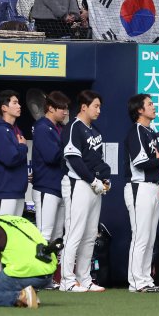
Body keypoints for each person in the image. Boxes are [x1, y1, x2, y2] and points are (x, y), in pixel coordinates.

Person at [60, 90, 111, 293]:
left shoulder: (95, 131)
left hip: (93, 185)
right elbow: (73, 159)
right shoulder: (74, 127)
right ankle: (67, 280)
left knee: (90, 234)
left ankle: (85, 278)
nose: (98, 110)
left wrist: (105, 179)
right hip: (77, 183)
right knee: (74, 232)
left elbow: (98, 161)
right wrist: (92, 180)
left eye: (99, 106)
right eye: (95, 106)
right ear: (84, 107)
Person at [123, 94, 159, 293]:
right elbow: (140, 162)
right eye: (149, 104)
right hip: (138, 186)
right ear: (139, 110)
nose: (153, 107)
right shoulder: (137, 131)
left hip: (151, 186)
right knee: (141, 236)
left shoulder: (149, 131)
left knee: (149, 237)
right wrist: (158, 159)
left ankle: (146, 279)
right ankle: (136, 281)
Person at [0, 215, 57, 308]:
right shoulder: (21, 221)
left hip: (25, 273)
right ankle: (27, 294)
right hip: (48, 275)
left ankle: (20, 297)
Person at [31, 91, 69, 247]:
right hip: (46, 187)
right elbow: (51, 156)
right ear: (51, 108)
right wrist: (68, 148)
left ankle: (51, 272)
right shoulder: (42, 126)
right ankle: (39, 272)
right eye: (62, 108)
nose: (65, 112)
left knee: (57, 236)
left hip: (59, 186)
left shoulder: (59, 127)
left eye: (66, 108)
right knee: (43, 236)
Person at [0, 90, 29, 217]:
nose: (19, 106)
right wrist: (22, 147)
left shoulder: (15, 130)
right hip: (4, 191)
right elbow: (11, 159)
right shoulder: (0, 131)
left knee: (13, 233)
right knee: (2, 232)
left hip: (17, 190)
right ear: (4, 108)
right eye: (15, 103)